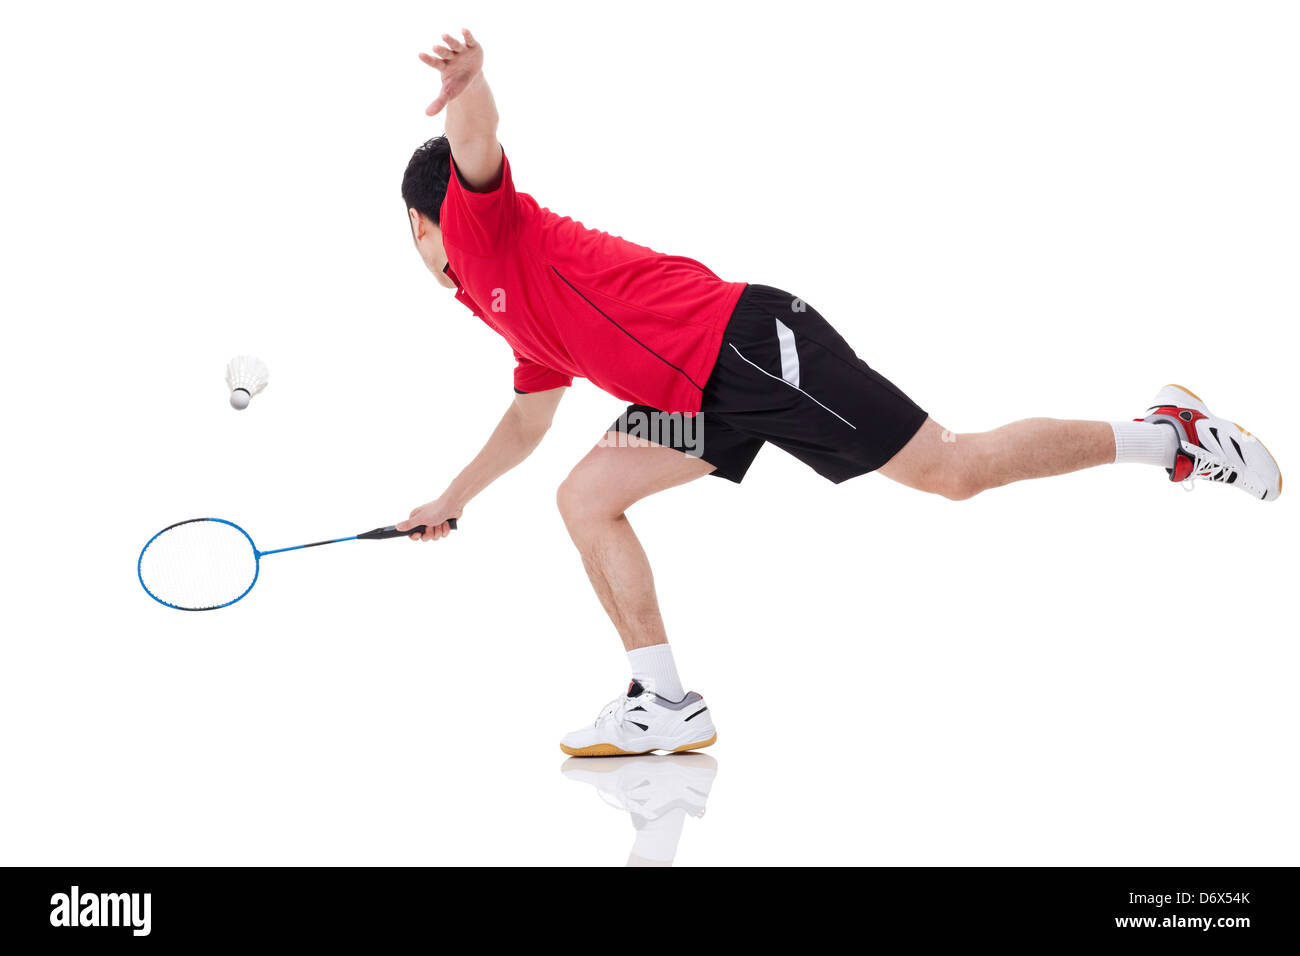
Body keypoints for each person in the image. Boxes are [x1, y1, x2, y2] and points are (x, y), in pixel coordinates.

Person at [395, 30, 1282, 757]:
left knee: (954, 470)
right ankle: (663, 702)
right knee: (585, 497)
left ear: (421, 223)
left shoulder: (485, 229)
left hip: (745, 347)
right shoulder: (500, 306)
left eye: (412, 234)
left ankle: (1173, 436)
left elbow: (475, 142)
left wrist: (472, 84)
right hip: (694, 398)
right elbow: (527, 420)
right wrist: (450, 499)